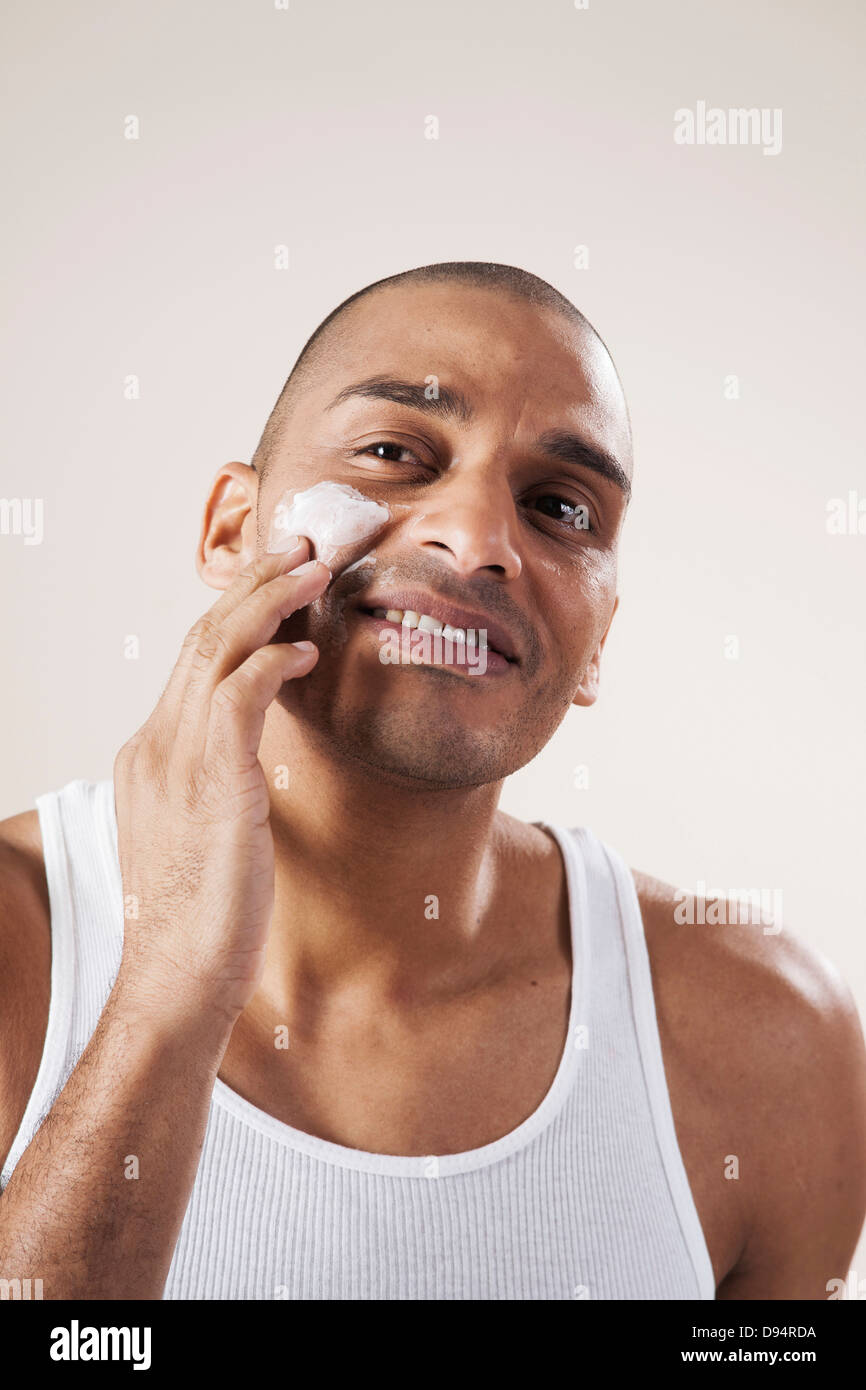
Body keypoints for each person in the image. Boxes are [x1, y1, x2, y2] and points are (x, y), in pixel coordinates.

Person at [1, 262, 864, 1301]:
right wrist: (165, 997)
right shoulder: (20, 948)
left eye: (557, 506)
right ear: (231, 529)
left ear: (597, 646)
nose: (476, 540)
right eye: (392, 454)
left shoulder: (772, 1041)